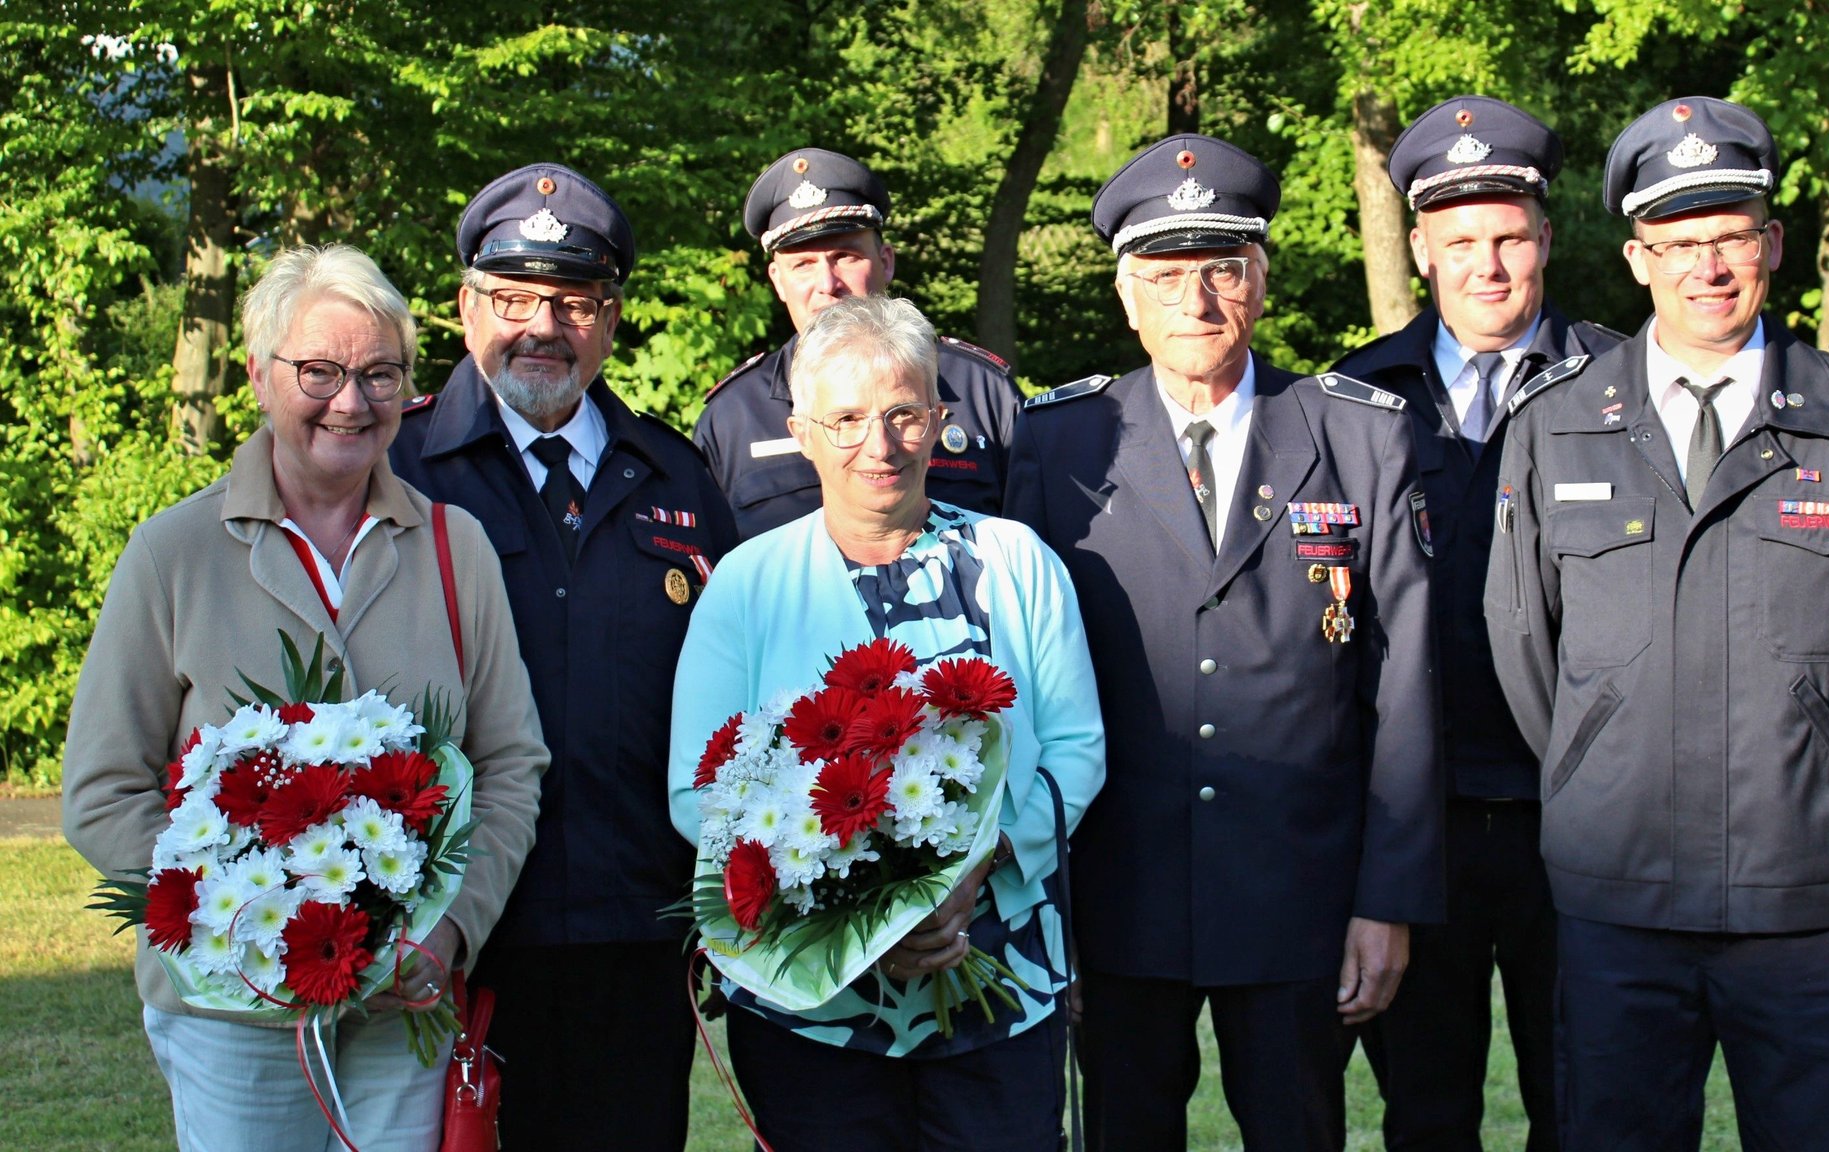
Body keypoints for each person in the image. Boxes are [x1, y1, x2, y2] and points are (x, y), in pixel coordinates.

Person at [1485, 97, 1829, 1151]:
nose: (1707, 267)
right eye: (1678, 243)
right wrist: (1597, 755)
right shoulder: (1555, 423)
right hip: (1616, 892)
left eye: (1731, 237)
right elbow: (1525, 647)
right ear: (1636, 258)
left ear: (1773, 245)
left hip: (1805, 892)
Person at [1005, 133, 1444, 1152]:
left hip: (1299, 897)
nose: (1195, 302)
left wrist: (1386, 902)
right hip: (1114, 898)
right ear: (1126, 297)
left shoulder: (1356, 434)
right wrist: (1040, 906)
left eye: (1221, 271)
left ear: (1260, 279)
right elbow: (1017, 682)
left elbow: (1403, 686)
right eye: (1164, 277)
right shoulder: (1059, 441)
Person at [62, 244, 548, 1151]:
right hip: (234, 1022)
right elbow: (100, 791)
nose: (351, 402)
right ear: (258, 374)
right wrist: (240, 920)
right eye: (319, 371)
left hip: (402, 1013)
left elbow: (511, 764)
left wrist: (449, 930)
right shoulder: (173, 555)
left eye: (379, 374)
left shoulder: (457, 550)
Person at [667, 294, 1105, 1151]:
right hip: (813, 1003)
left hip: (999, 975)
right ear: (802, 433)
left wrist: (973, 870)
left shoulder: (1018, 562)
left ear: (939, 421)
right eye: (847, 419)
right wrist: (855, 899)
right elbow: (699, 788)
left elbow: (1077, 749)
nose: (880, 444)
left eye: (904, 413)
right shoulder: (746, 584)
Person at [387, 164, 738, 1151]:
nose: (543, 326)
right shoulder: (399, 468)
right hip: (451, 927)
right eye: (512, 299)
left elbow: (732, 701)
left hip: (636, 929)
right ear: (466, 307)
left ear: (610, 318)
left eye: (575, 302)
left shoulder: (676, 476)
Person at [1327, 95, 1619, 1152]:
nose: (1486, 266)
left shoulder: (1624, 388)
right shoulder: (1350, 400)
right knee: (1425, 1116)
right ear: (1420, 250)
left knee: (1587, 1113)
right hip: (1418, 826)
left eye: (1508, 239)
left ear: (1546, 238)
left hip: (1580, 825)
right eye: (1459, 243)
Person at [694, 147, 1023, 539]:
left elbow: (1033, 540)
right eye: (803, 265)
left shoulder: (981, 393)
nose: (827, 284)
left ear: (885, 262)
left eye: (846, 257)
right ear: (778, 281)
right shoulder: (733, 417)